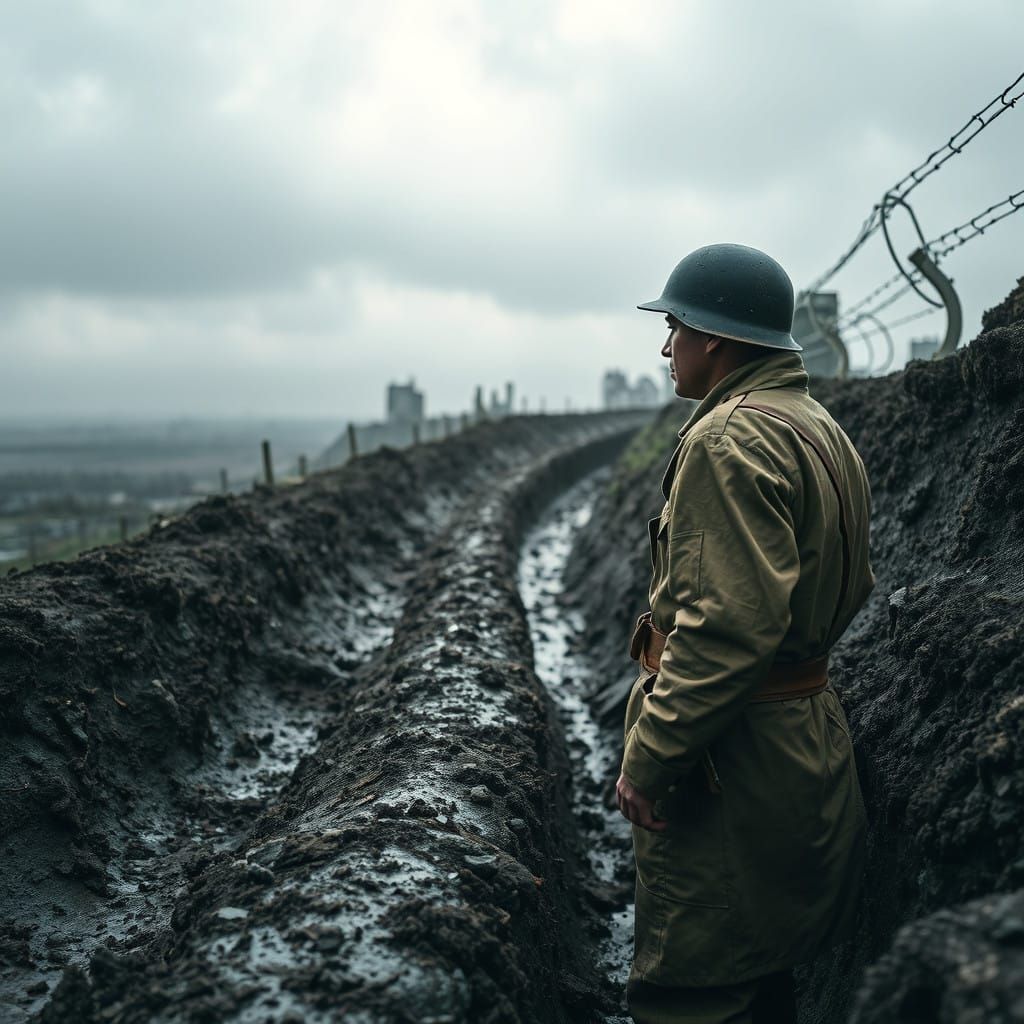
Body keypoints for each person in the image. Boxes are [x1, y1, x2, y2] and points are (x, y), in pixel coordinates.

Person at [615, 243, 875, 1024]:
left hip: (733, 761)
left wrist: (652, 757)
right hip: (798, 746)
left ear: (713, 340)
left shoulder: (728, 439)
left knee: (695, 989)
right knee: (763, 973)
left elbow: (723, 631)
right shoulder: (813, 423)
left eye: (674, 330)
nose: (666, 349)